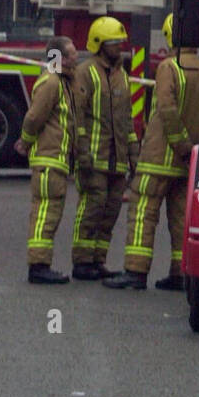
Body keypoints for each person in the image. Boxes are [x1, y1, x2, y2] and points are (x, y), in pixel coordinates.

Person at [104, 12, 199, 291]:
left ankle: (135, 273)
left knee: (143, 213)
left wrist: (179, 144)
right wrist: (189, 152)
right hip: (187, 163)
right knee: (180, 219)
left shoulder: (169, 67)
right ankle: (179, 274)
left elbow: (166, 109)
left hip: (159, 158)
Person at [70, 16, 139, 280]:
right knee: (92, 209)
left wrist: (134, 157)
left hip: (117, 160)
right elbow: (79, 116)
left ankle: (98, 261)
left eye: (120, 43)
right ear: (99, 44)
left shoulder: (122, 75)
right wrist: (82, 153)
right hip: (95, 158)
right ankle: (81, 261)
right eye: (113, 43)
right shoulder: (85, 72)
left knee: (110, 212)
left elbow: (127, 121)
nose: (119, 48)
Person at [15, 35, 78, 285]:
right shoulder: (51, 82)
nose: (75, 56)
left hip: (56, 161)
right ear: (58, 57)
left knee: (50, 213)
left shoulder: (61, 82)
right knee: (45, 214)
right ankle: (38, 267)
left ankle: (41, 264)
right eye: (71, 53)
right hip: (49, 161)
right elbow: (33, 118)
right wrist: (25, 141)